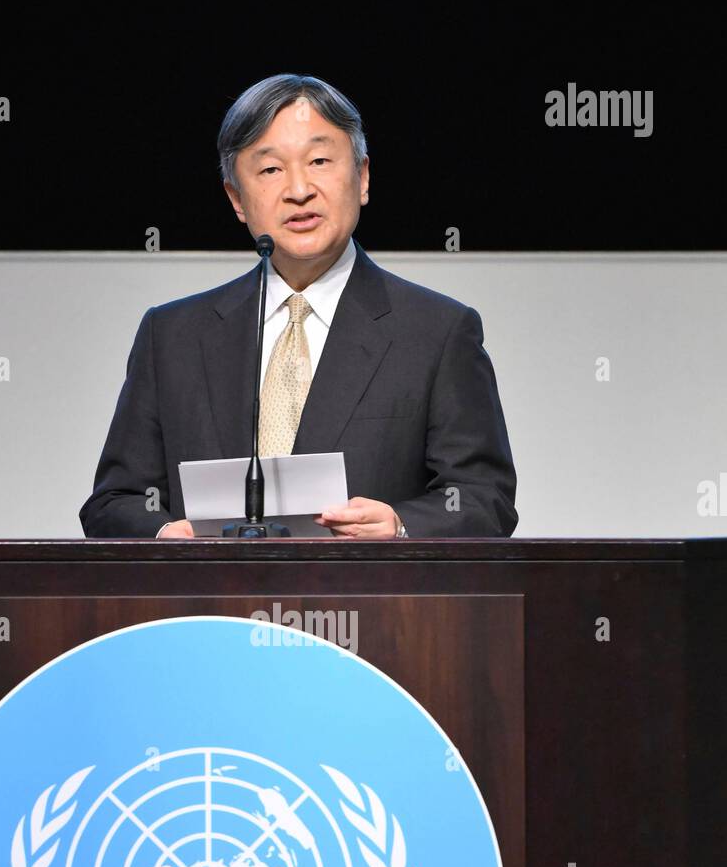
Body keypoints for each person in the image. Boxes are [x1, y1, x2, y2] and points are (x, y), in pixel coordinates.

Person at [79, 74, 518, 540]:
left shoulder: (438, 332)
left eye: (320, 160)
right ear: (236, 199)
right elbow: (113, 504)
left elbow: (482, 498)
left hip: (369, 605)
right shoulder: (171, 336)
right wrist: (166, 534)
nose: (299, 189)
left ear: (363, 177)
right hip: (211, 606)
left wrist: (402, 526)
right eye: (270, 170)